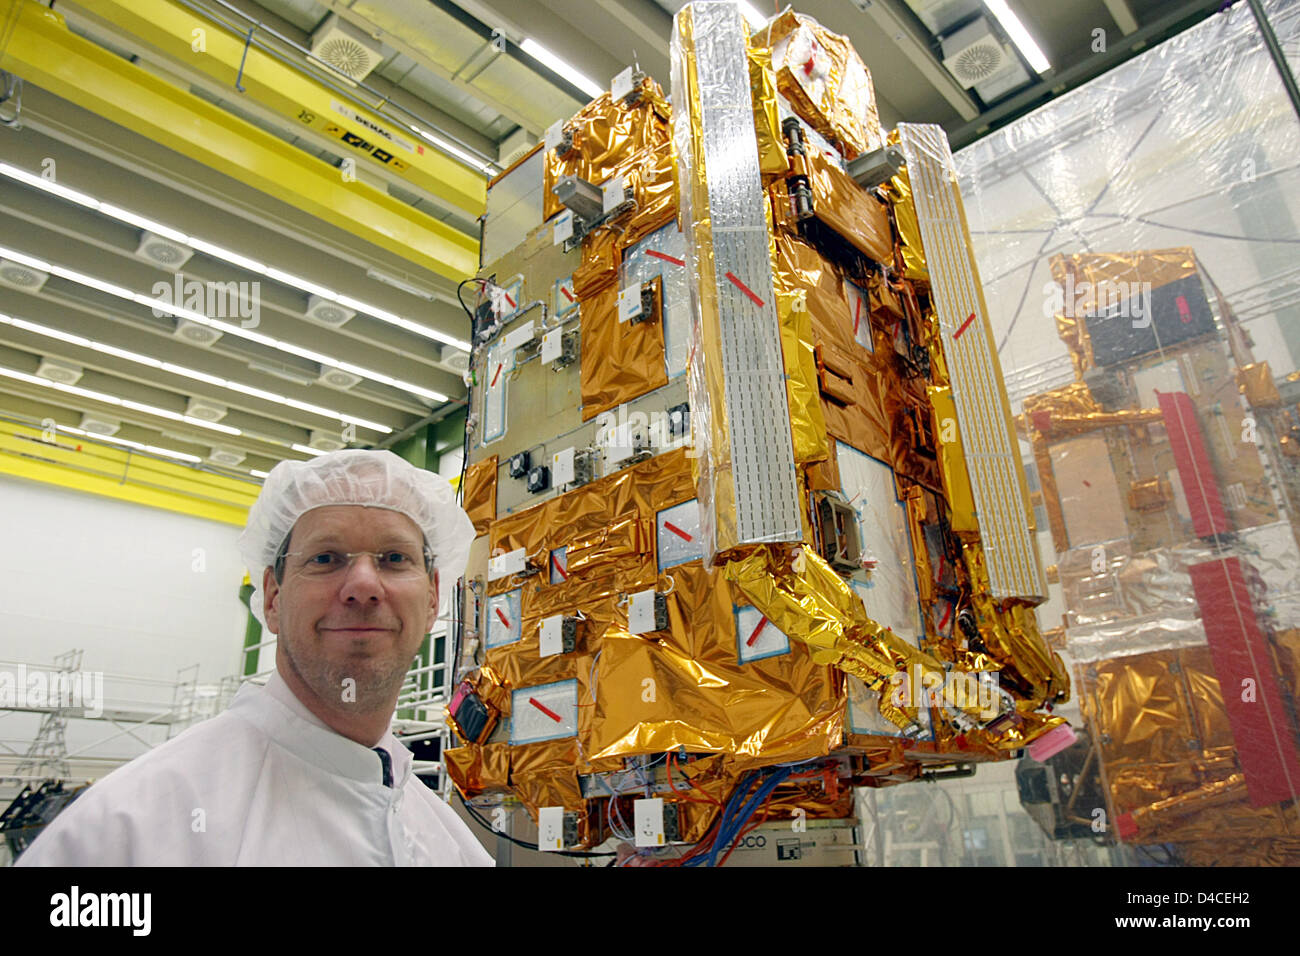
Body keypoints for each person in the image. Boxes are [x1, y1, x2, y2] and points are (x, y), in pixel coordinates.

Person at [18, 449, 494, 866]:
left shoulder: (450, 843)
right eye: (325, 558)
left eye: (394, 558)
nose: (365, 586)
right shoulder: (124, 835)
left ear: (433, 598)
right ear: (271, 597)